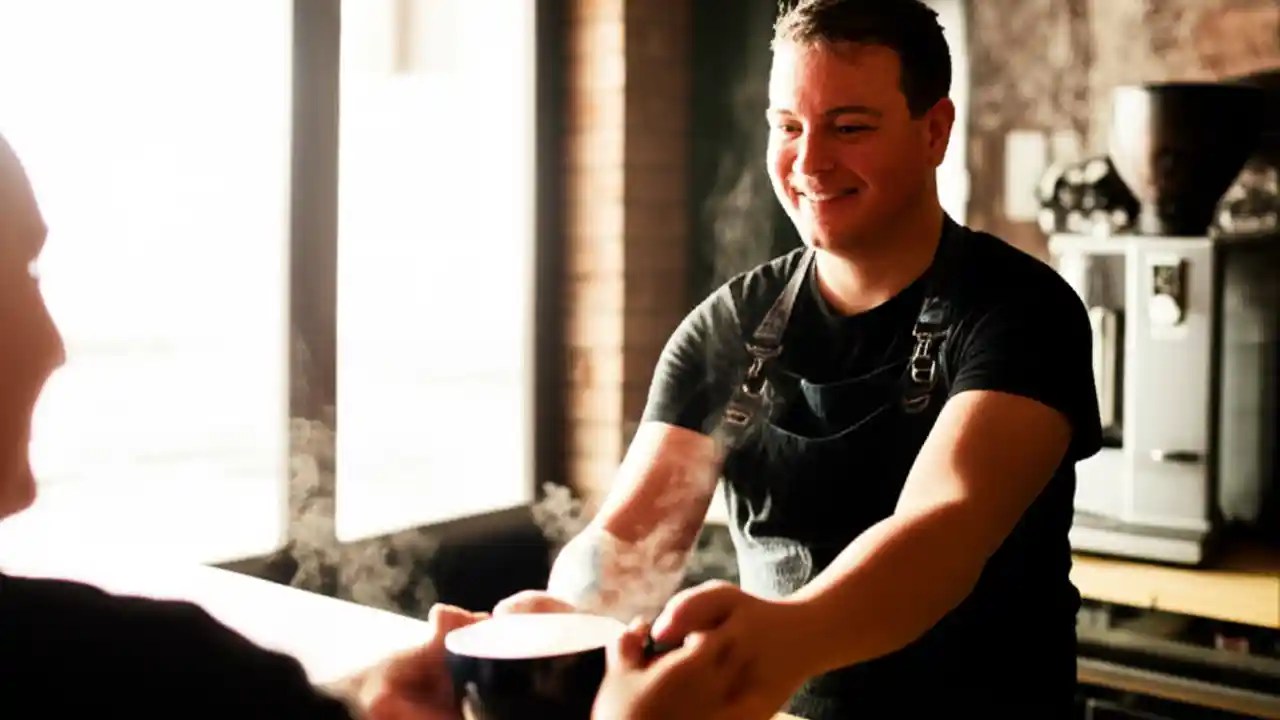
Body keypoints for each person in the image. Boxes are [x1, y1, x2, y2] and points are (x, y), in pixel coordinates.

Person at [493, 1, 1103, 718]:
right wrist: (563, 617)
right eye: (787, 127)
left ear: (934, 130)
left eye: (849, 128)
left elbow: (945, 526)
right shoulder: (727, 327)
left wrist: (785, 639)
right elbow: (630, 541)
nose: (810, 162)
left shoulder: (1021, 310)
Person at [0, 131, 734, 719]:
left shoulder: (124, 662)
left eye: (851, 124)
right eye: (25, 276)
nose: (57, 346)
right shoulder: (141, 669)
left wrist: (364, 708)